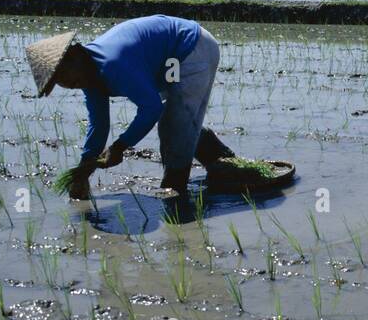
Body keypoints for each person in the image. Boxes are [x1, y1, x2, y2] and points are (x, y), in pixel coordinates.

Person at [25, 14, 235, 198]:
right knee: (177, 120)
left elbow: (151, 108)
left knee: (173, 125)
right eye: (58, 82)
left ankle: (176, 190)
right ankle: (222, 161)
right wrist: (84, 170)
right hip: (165, 61)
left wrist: (120, 146)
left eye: (63, 74)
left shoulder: (114, 64)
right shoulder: (89, 76)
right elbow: (99, 125)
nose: (67, 84)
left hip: (191, 47)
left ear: (76, 55)